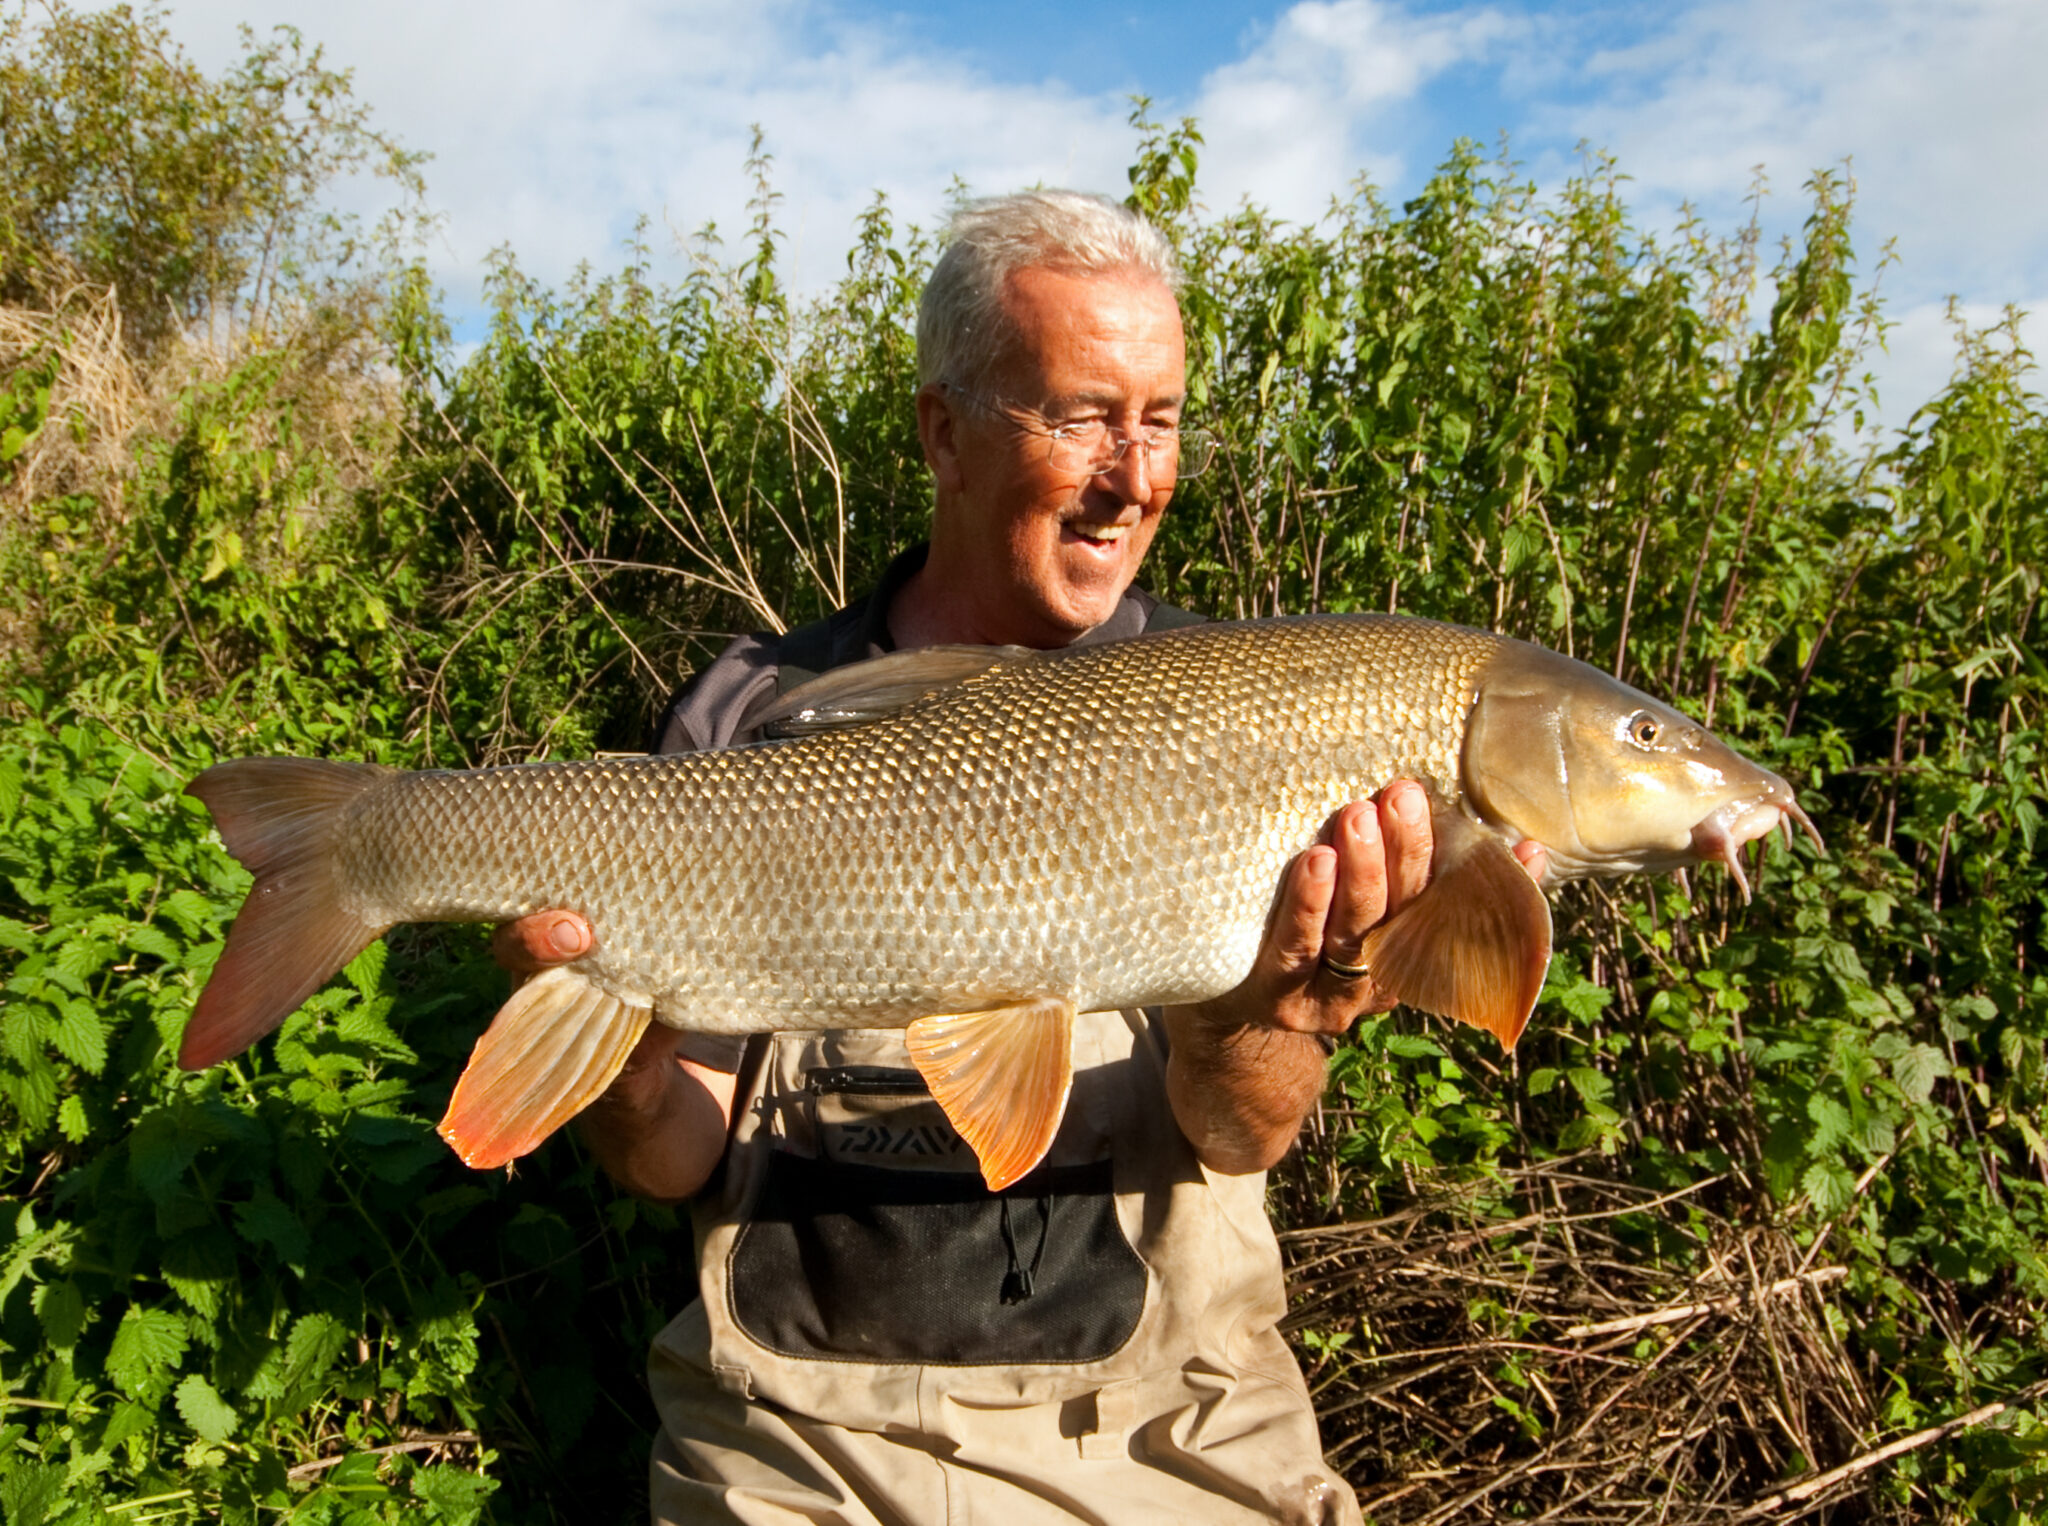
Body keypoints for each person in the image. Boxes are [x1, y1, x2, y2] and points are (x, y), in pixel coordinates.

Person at [495, 190, 1545, 1525]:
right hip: (805, 1442)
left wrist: (1282, 998)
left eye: (1158, 420)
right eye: (1081, 415)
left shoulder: (1247, 701)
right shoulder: (754, 710)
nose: (1135, 473)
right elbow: (671, 1157)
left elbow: (1239, 1127)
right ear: (943, 429)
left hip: (1174, 1433)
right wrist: (621, 1045)